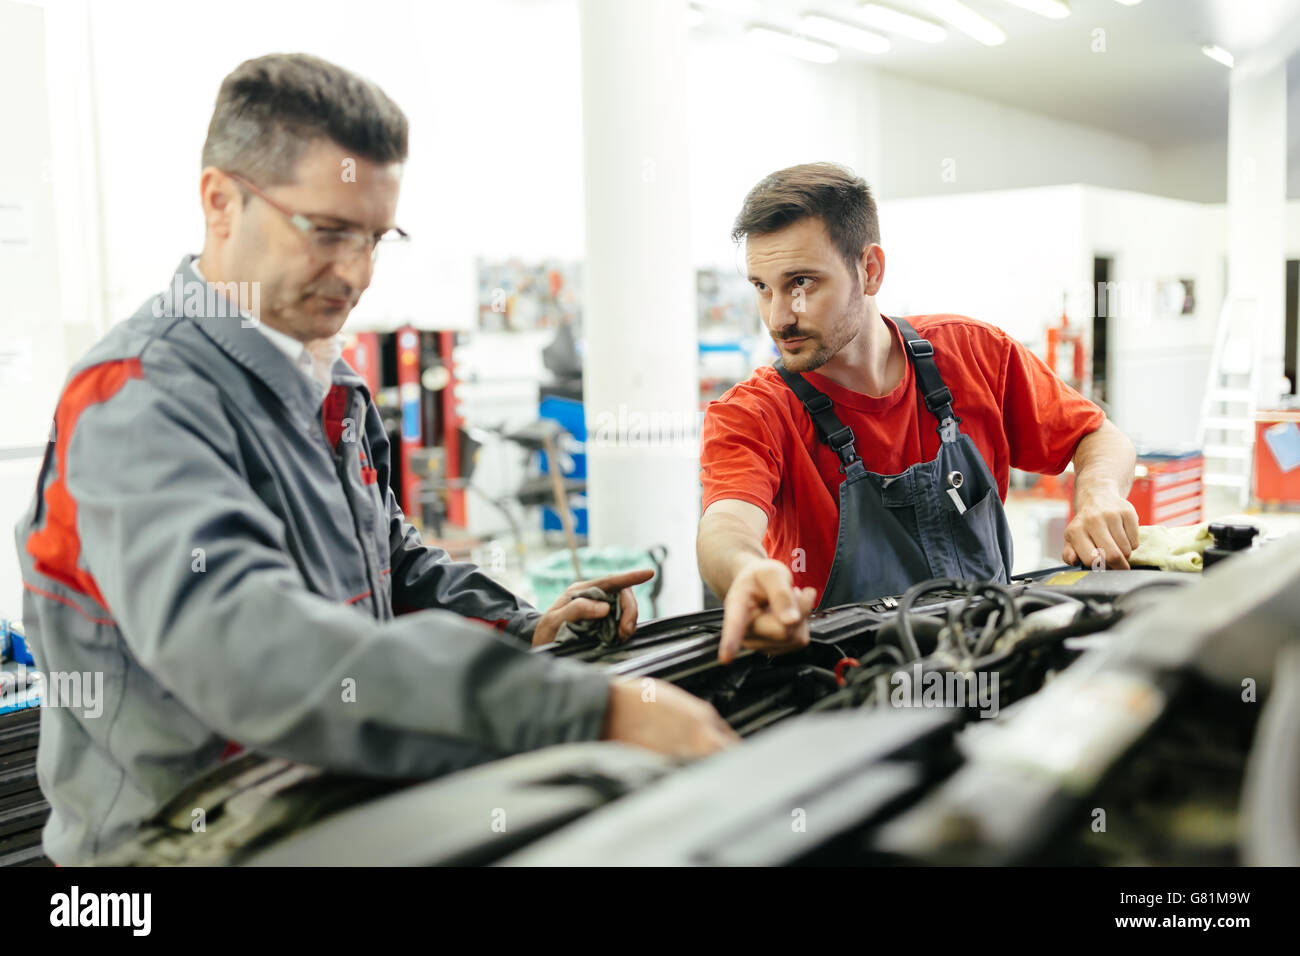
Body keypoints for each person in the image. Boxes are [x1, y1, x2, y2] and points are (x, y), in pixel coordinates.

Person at [15, 53, 735, 866]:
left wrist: (525, 628)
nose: (355, 273)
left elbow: (389, 562)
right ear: (220, 201)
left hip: (333, 812)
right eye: (326, 231)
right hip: (175, 850)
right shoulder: (136, 400)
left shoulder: (326, 376)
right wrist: (578, 711)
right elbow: (252, 650)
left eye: (375, 237)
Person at [697, 163, 1139, 665]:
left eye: (801, 283)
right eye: (762, 287)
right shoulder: (752, 413)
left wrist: (1099, 495)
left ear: (870, 270)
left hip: (996, 662)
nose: (779, 316)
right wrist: (745, 570)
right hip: (852, 691)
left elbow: (1100, 436)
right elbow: (726, 525)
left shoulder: (973, 353)